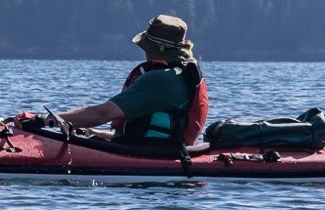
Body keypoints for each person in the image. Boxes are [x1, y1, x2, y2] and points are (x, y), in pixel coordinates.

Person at [45, 14, 210, 148]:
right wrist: (92, 133)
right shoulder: (180, 75)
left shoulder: (159, 80)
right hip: (160, 148)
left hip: (149, 154)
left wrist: (47, 119)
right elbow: (144, 134)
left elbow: (103, 114)